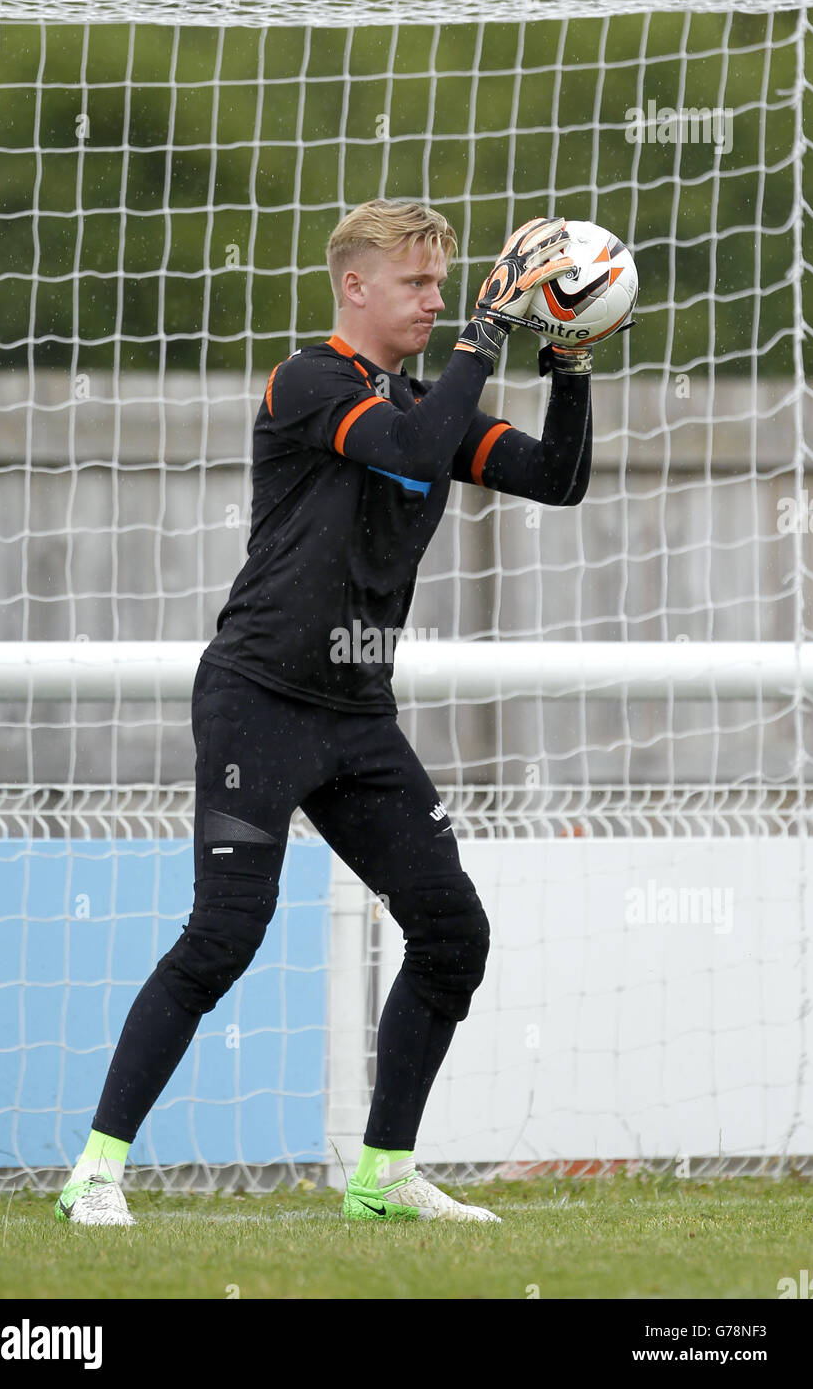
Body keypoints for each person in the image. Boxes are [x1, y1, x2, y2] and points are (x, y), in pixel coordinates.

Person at [55, 199, 592, 1227]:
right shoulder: (307, 380)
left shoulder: (432, 403)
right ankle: (95, 1170)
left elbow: (556, 478)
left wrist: (565, 357)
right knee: (223, 934)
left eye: (445, 284)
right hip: (257, 699)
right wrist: (487, 336)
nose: (438, 300)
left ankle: (383, 1172)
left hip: (355, 716)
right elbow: (406, 449)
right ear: (355, 288)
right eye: (417, 284)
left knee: (449, 931)